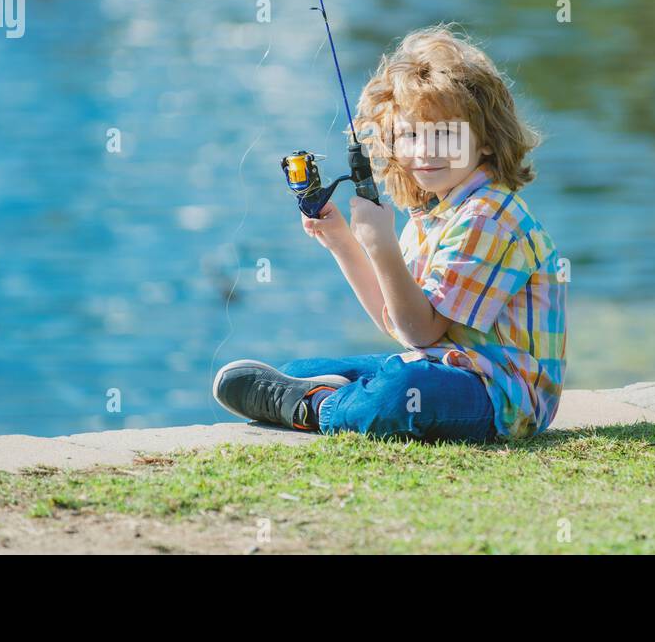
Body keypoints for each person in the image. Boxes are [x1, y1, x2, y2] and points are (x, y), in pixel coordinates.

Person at [214, 24, 567, 441]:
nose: (424, 151)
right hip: (442, 365)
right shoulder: (432, 212)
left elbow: (420, 332)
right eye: (410, 135)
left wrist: (380, 245)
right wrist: (344, 243)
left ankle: (320, 406)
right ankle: (326, 397)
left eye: (444, 135)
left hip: (498, 397)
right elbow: (399, 322)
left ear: (486, 139)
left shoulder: (487, 215)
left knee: (401, 392)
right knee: (297, 372)